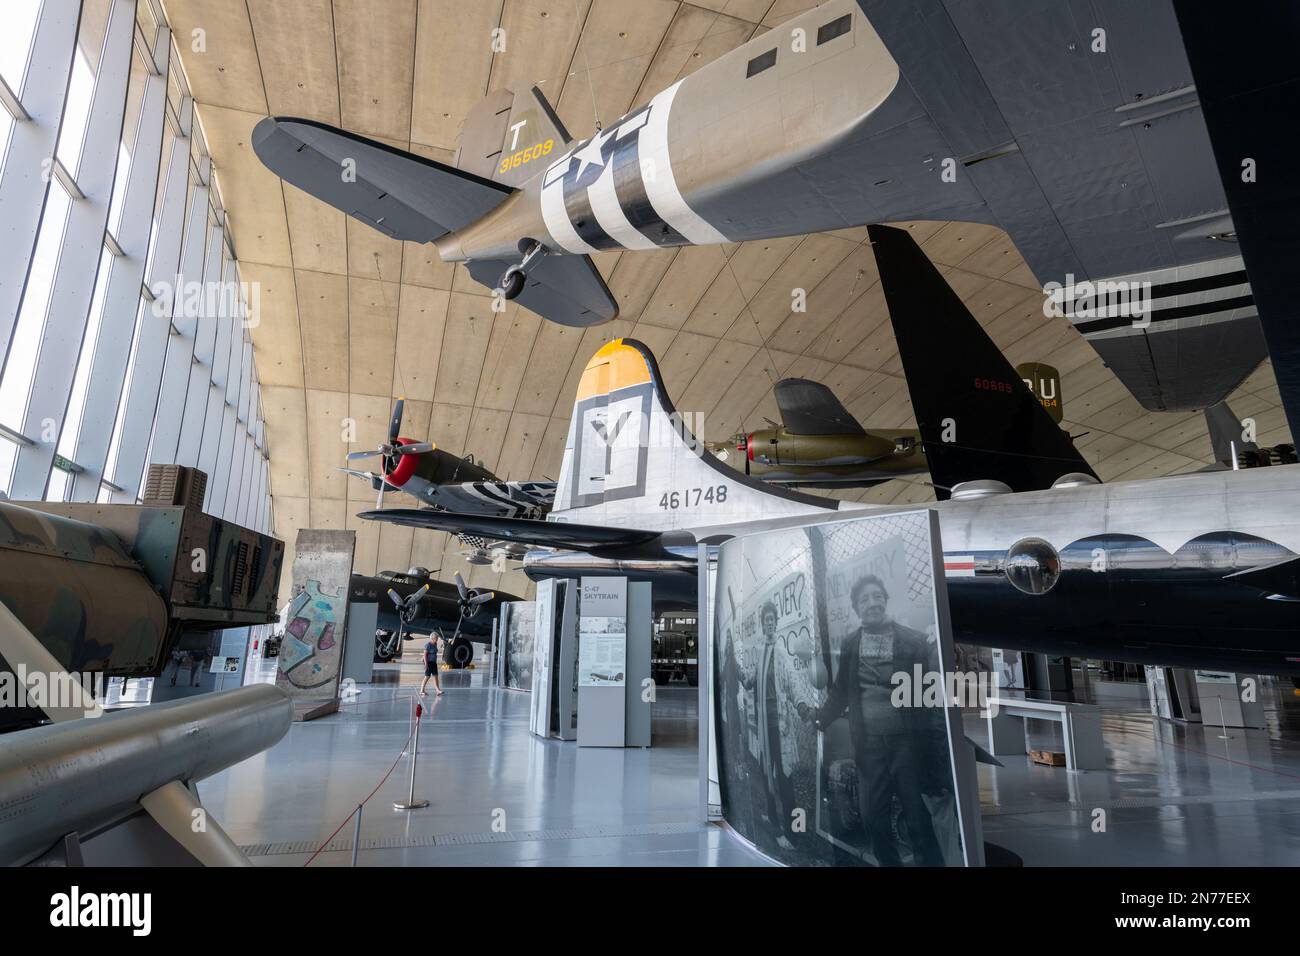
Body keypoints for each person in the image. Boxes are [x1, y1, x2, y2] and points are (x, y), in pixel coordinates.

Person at [805, 574, 947, 866]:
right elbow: (841, 690)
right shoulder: (851, 644)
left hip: (906, 746)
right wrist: (820, 719)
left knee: (918, 821)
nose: (872, 603)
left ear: (885, 600)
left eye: (877, 596)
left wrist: (936, 750)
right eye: (865, 599)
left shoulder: (913, 641)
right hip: (870, 749)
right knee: (874, 820)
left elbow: (929, 697)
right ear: (857, 608)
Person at [742, 601, 799, 852]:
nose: (769, 623)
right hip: (763, 726)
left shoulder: (781, 651)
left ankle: (792, 830)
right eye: (766, 619)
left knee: (784, 776)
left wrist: (802, 705)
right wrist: (743, 678)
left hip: (780, 725)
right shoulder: (760, 651)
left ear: (777, 622)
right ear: (763, 623)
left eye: (772, 619)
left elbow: (793, 683)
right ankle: (774, 821)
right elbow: (752, 681)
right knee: (766, 771)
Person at [419, 631, 444, 697]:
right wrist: (426, 664)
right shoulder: (428, 645)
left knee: (435, 676)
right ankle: (421, 690)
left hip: (434, 662)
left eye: (437, 638)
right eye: (436, 638)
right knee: (427, 676)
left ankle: (437, 690)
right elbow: (424, 655)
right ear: (432, 638)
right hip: (429, 662)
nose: (437, 639)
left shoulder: (435, 644)